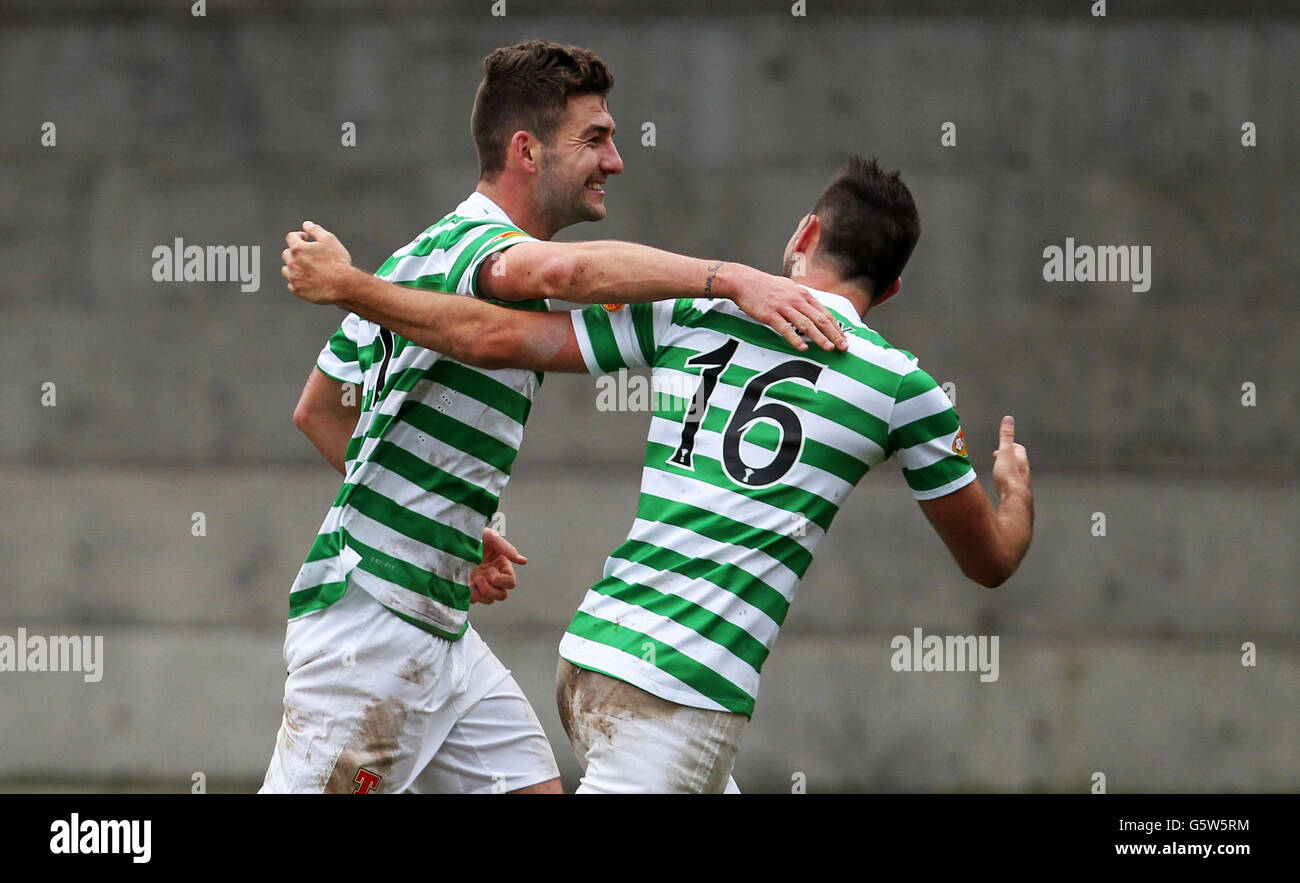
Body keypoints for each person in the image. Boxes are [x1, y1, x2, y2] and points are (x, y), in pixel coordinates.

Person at [281, 155, 1035, 793]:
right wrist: (1016, 495)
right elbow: (991, 561)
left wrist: (356, 287)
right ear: (892, 290)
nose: (612, 157)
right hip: (683, 687)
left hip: (597, 654)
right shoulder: (906, 388)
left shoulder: (694, 314)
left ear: (804, 236)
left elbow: (488, 336)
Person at [264, 40, 845, 794]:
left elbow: (319, 411)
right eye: (596, 139)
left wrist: (453, 525)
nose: (616, 160)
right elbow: (568, 272)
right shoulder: (479, 250)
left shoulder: (410, 261)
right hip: (370, 628)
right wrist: (729, 279)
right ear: (526, 151)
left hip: (438, 629)